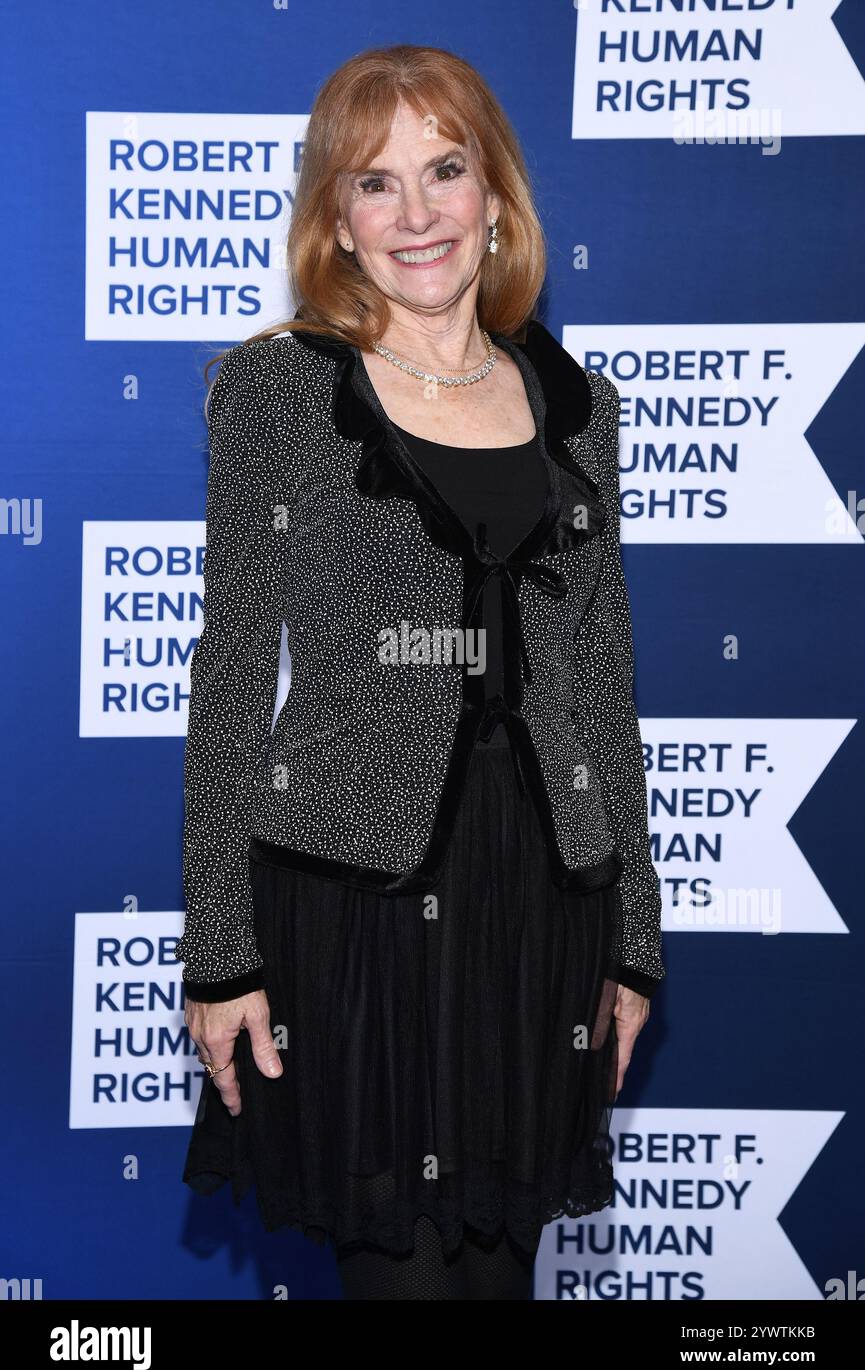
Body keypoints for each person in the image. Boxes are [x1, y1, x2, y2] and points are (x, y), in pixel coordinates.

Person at [178, 43, 665, 1301]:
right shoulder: (277, 392)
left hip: (540, 905)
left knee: (501, 1281)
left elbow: (600, 676)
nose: (416, 214)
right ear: (334, 218)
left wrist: (633, 941)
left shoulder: (576, 404)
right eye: (374, 183)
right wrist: (223, 955)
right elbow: (231, 674)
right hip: (353, 906)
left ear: (494, 192)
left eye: (443, 171)